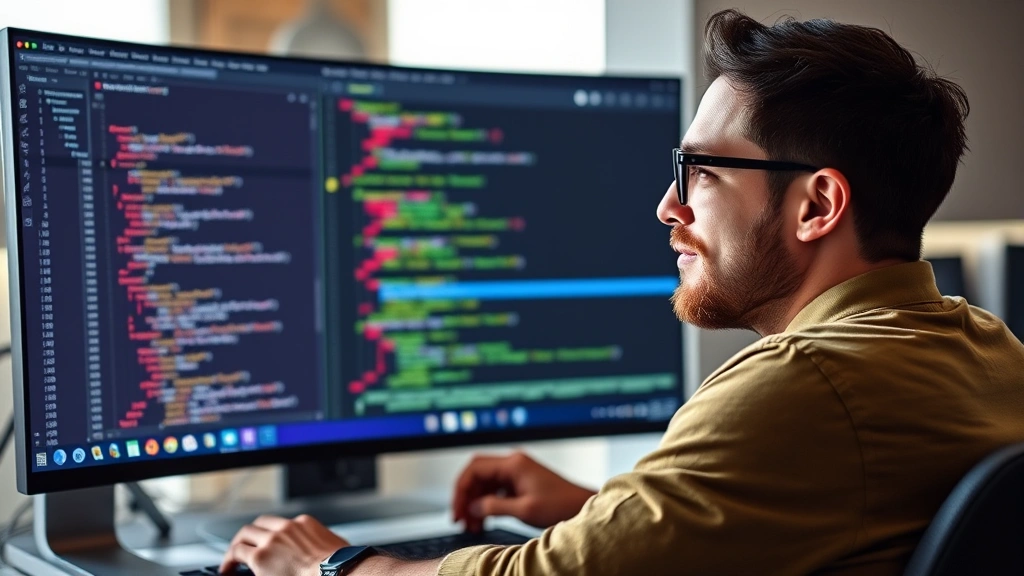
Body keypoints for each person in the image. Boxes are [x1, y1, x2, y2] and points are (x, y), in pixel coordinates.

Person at [220, 9, 1024, 576]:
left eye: (701, 171)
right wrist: (595, 506)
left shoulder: (805, 382)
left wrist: (330, 563)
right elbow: (812, 512)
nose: (668, 207)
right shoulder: (986, 347)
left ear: (817, 205)